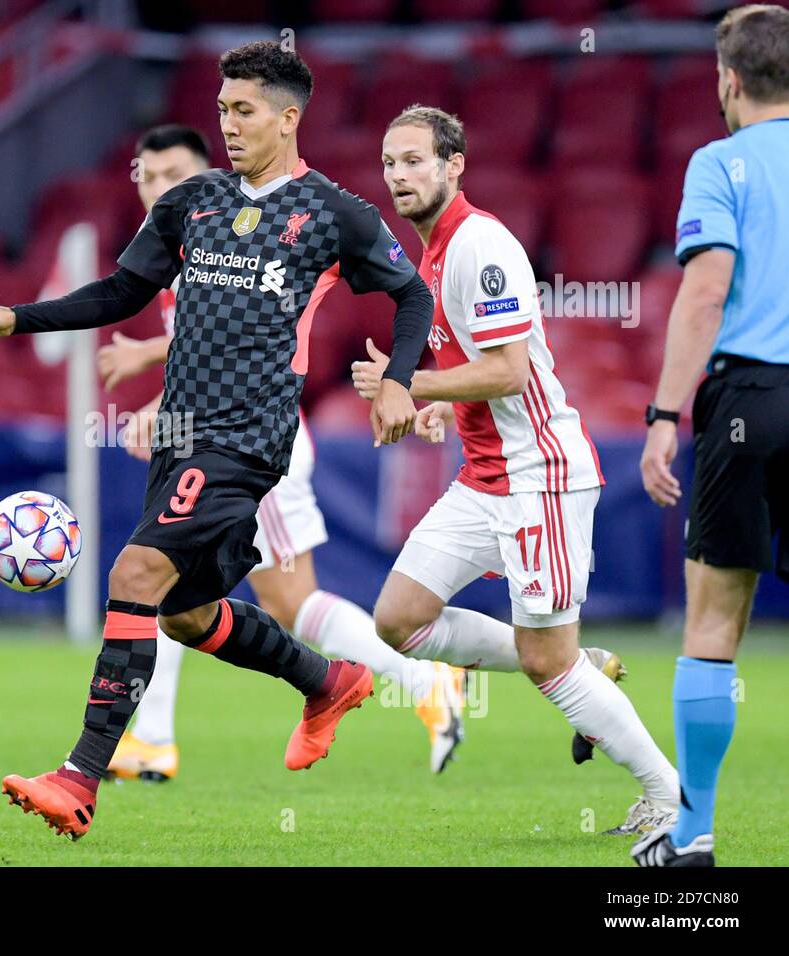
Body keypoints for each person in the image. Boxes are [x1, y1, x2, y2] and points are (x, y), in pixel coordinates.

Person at [0, 40, 433, 840]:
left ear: (288, 117)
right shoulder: (192, 202)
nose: (229, 124)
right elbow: (119, 292)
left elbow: (411, 296)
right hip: (182, 433)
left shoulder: (335, 214)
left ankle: (80, 777)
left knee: (135, 570)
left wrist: (399, 382)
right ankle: (329, 680)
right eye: (222, 109)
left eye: (244, 110)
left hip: (247, 439)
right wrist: (15, 317)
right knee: (183, 613)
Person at [98, 123, 466, 783]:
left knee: (235, 593)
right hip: (232, 436)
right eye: (146, 176)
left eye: (173, 173)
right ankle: (152, 738)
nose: (159, 187)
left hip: (251, 444)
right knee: (179, 585)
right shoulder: (188, 238)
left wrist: (161, 406)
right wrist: (149, 360)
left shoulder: (223, 233)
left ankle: (421, 679)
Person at [353, 105, 679, 837]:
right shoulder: (430, 252)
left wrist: (412, 387)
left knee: (546, 665)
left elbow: (505, 370)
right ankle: (581, 659)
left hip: (540, 478)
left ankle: (667, 796)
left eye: (415, 161)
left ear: (454, 165)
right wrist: (438, 405)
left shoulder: (480, 244)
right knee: (399, 620)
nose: (400, 176)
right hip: (483, 475)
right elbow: (474, 367)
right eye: (390, 163)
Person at [633, 3, 789, 868]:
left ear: (728, 81)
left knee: (714, 622)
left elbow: (703, 292)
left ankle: (693, 834)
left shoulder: (719, 162)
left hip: (751, 400)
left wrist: (662, 415)